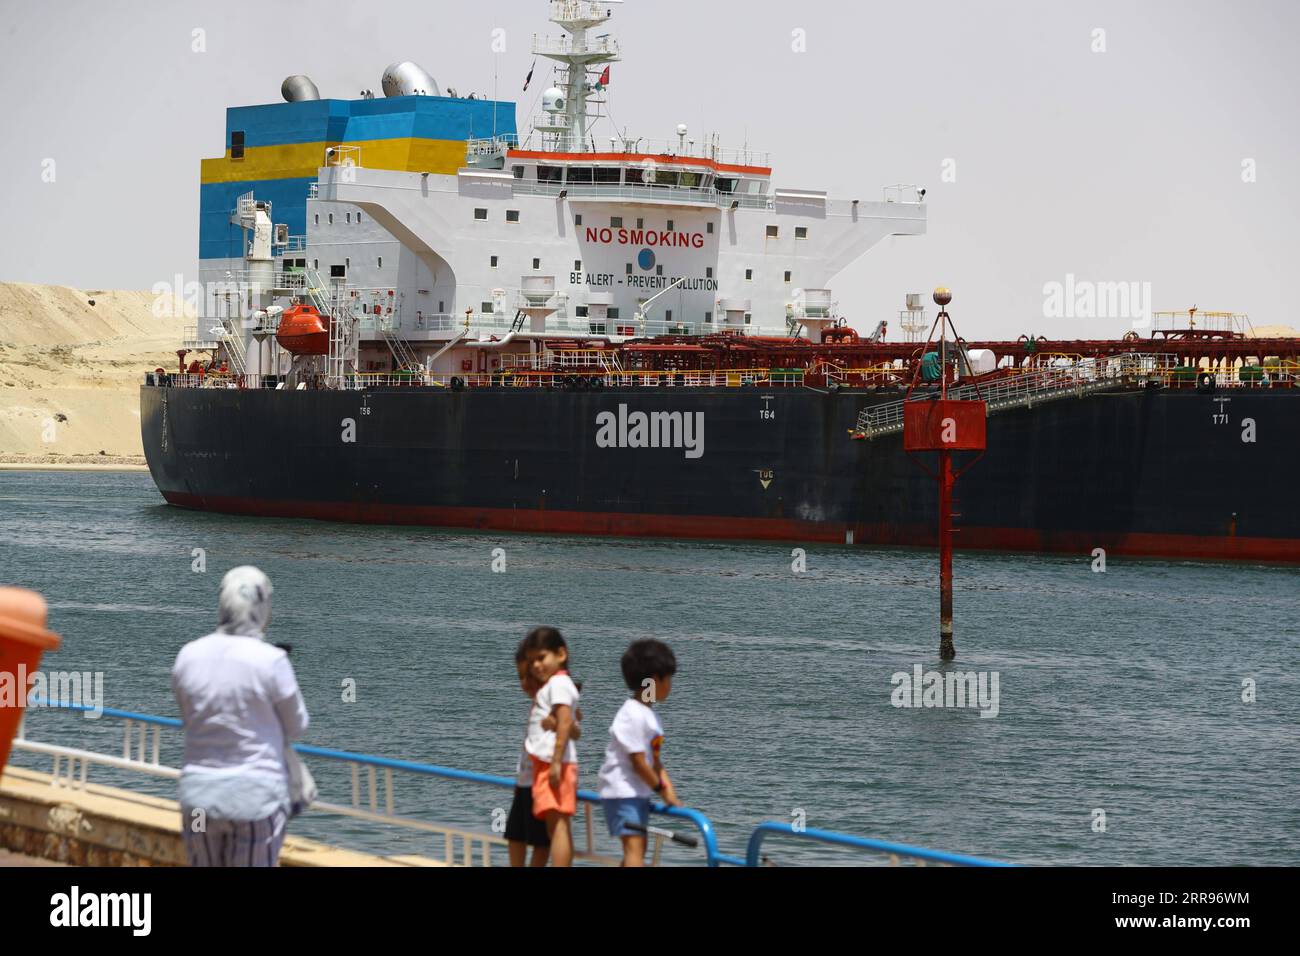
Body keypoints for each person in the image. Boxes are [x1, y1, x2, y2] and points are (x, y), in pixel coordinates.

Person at [171, 566, 309, 867]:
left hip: (199, 799)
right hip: (256, 799)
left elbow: (188, 718)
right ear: (263, 605)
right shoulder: (272, 660)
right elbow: (297, 727)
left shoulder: (188, 655)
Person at [597, 639, 681, 867]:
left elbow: (655, 762)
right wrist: (661, 791)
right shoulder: (632, 713)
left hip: (637, 793)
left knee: (638, 850)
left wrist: (670, 793)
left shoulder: (650, 716)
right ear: (654, 680)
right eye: (668, 679)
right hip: (622, 790)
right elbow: (638, 763)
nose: (670, 685)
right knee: (634, 849)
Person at [522, 626, 580, 866]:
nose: (536, 665)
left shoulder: (558, 684)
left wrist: (556, 762)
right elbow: (573, 725)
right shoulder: (558, 685)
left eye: (542, 658)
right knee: (555, 827)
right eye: (532, 660)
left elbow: (567, 720)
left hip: (551, 762)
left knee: (557, 828)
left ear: (561, 654)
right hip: (547, 762)